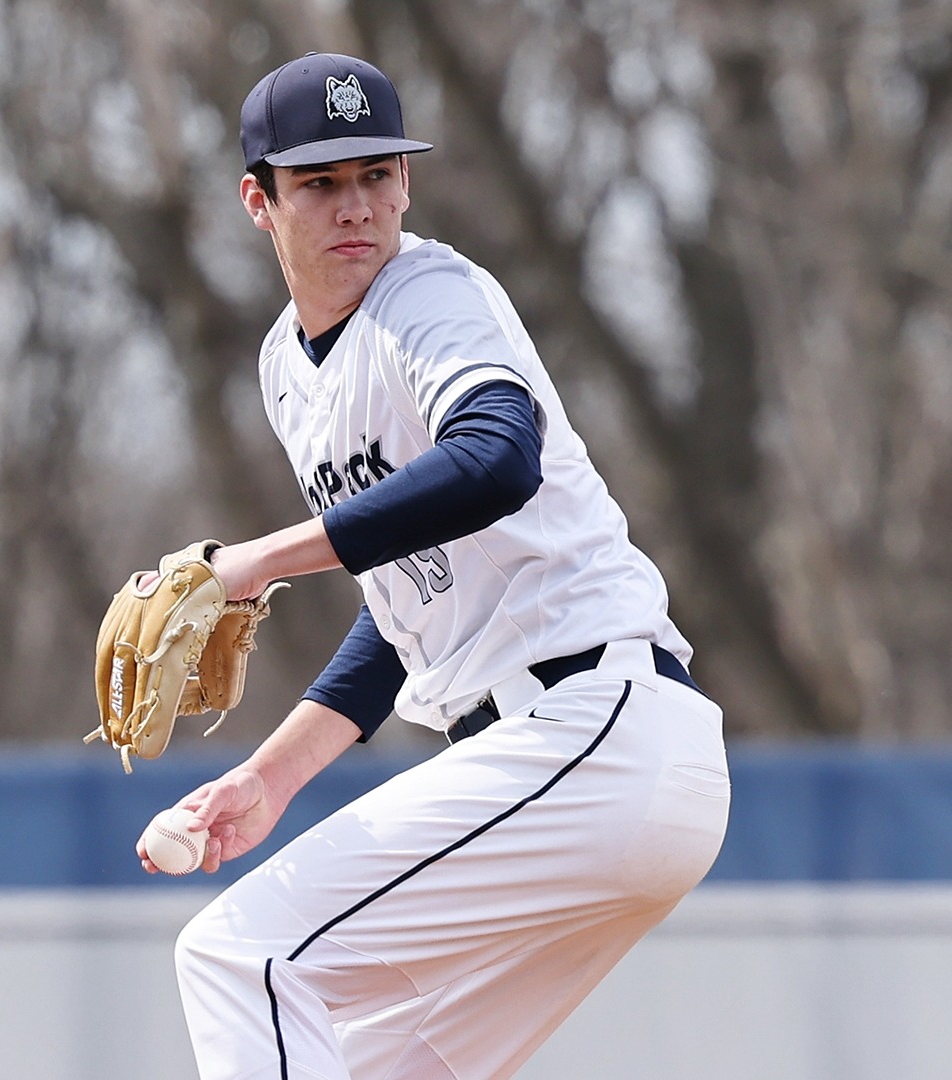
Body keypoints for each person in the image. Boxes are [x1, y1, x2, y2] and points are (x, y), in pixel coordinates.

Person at [138, 52, 731, 1080]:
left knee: (242, 957)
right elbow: (408, 591)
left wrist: (258, 563)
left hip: (592, 734)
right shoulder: (288, 368)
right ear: (259, 201)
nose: (356, 205)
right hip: (588, 768)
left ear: (407, 182)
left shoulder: (430, 297)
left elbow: (497, 458)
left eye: (376, 174)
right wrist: (273, 777)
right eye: (319, 183)